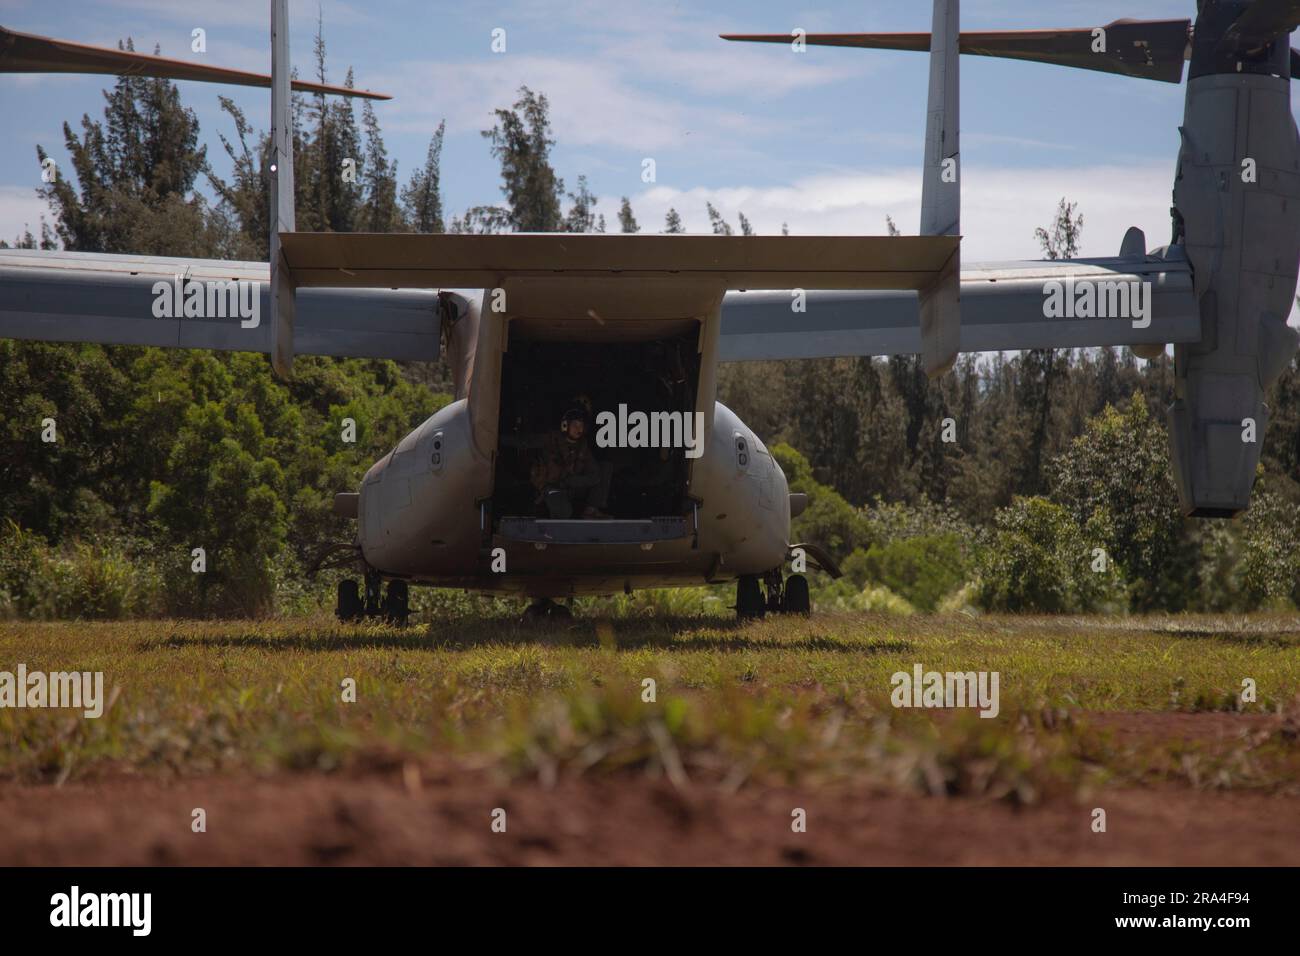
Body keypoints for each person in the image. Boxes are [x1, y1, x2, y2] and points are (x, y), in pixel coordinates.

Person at [514, 408, 612, 519]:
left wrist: (575, 481)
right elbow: (524, 442)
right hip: (553, 487)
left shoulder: (583, 446)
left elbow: (595, 474)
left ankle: (591, 511)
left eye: (581, 425)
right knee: (564, 512)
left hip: (572, 487)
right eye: (575, 425)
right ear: (565, 426)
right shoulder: (551, 439)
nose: (578, 429)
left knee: (605, 468)